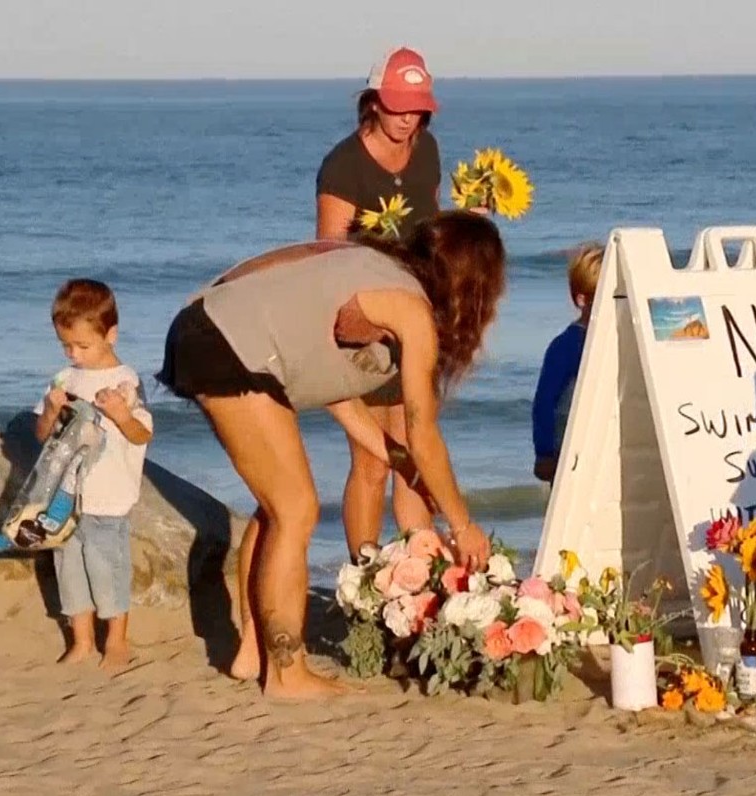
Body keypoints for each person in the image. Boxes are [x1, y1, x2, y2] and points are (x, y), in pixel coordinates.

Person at [157, 211, 504, 699]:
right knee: (295, 510)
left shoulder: (367, 263)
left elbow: (335, 390)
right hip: (230, 344)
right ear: (474, 287)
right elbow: (424, 432)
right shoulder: (411, 308)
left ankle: (254, 654)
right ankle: (287, 675)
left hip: (203, 329)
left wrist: (398, 460)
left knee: (277, 506)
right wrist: (463, 526)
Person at [315, 46, 444, 561]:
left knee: (414, 447)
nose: (407, 118)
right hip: (363, 322)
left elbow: (430, 224)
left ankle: (419, 573)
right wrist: (359, 324)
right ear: (373, 101)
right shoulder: (343, 166)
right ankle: (363, 577)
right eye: (397, 106)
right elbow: (328, 254)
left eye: (417, 108)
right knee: (372, 459)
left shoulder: (427, 149)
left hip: (416, 313)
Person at [34, 279, 154, 672]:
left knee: (107, 568)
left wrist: (120, 414)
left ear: (110, 334)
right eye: (66, 345)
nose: (73, 354)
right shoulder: (64, 379)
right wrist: (51, 410)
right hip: (64, 495)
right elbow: (42, 435)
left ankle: (116, 640)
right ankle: (82, 640)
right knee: (68, 569)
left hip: (109, 496)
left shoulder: (127, 382)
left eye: (82, 346)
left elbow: (142, 435)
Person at [531, 243, 602, 483]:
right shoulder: (567, 345)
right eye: (602, 298)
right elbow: (544, 403)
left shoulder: (622, 337)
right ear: (582, 300)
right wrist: (544, 453)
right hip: (570, 456)